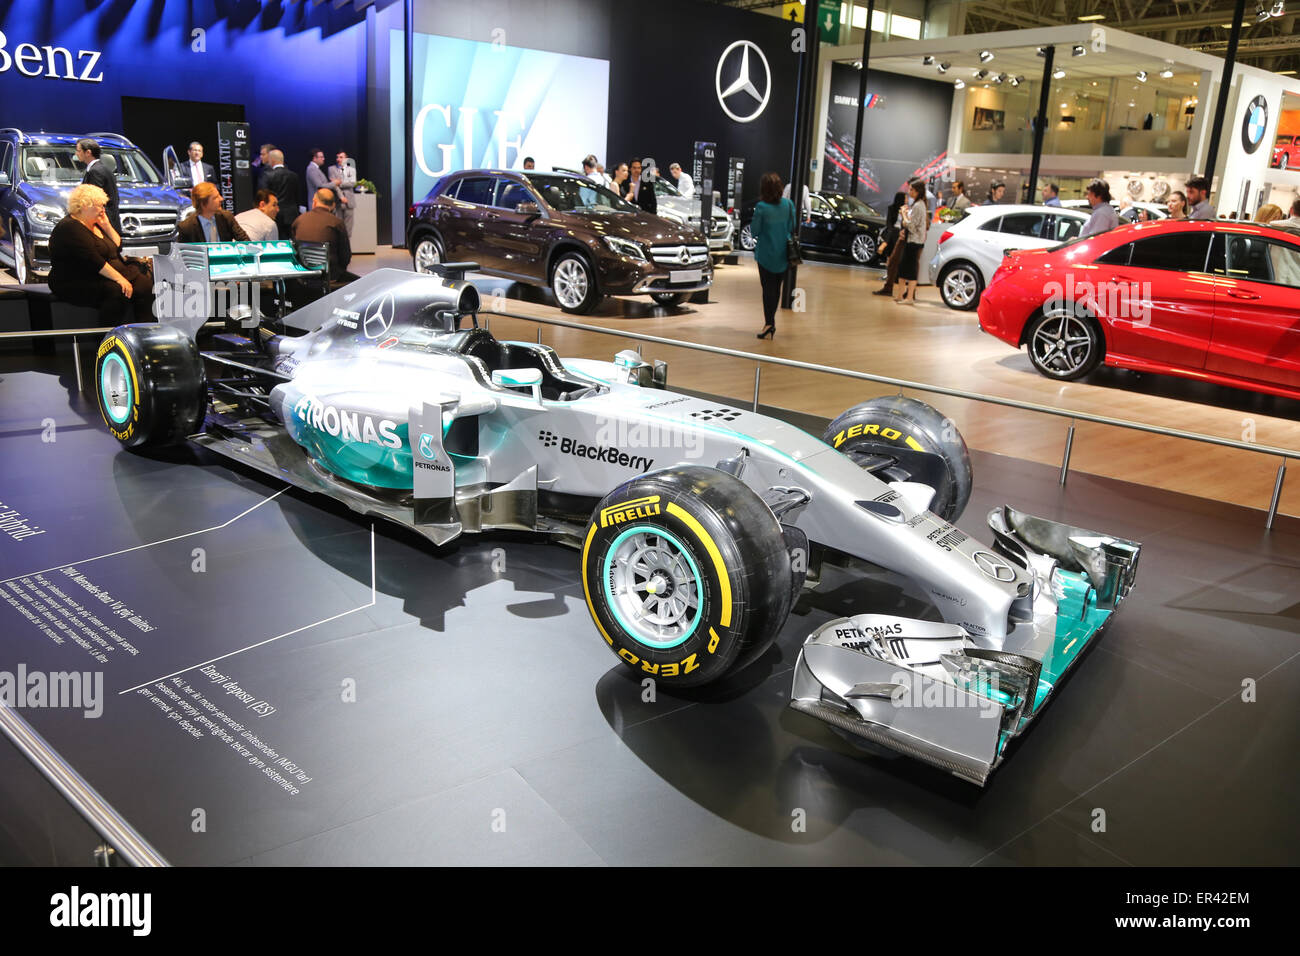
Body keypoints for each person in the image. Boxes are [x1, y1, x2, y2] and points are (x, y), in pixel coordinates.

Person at [47, 183, 153, 323]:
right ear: (84, 206)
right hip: (77, 280)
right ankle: (107, 337)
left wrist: (107, 226)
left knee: (144, 285)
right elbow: (94, 261)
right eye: (100, 205)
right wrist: (119, 278)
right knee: (117, 290)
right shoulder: (70, 227)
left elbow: (117, 246)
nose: (103, 210)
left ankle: (144, 331)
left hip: (101, 274)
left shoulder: (95, 223)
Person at [748, 172, 794, 340]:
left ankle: (769, 323)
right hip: (784, 254)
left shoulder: (762, 207)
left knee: (767, 289)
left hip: (766, 255)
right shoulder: (789, 204)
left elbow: (755, 231)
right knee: (776, 289)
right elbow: (792, 226)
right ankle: (770, 323)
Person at [293, 187, 352, 283]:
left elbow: (293, 249)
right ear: (333, 205)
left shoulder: (299, 220)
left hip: (303, 276)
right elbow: (345, 256)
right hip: (330, 276)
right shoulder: (337, 223)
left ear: (314, 202)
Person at [177, 182, 250, 243]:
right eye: (215, 197)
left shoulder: (226, 217)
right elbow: (182, 255)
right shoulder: (186, 227)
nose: (221, 199)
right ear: (203, 204)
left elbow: (245, 241)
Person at [76, 138, 120, 235]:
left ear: (88, 152)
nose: (76, 154)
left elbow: (95, 201)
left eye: (78, 151)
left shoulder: (95, 171)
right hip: (109, 223)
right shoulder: (103, 169)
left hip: (102, 226)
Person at [894, 180, 928, 305]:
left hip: (914, 241)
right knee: (903, 268)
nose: (909, 192)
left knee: (911, 270)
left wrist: (903, 214)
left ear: (917, 191)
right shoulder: (918, 204)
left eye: (911, 190)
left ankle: (909, 298)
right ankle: (900, 295)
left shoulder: (919, 206)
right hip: (912, 240)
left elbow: (912, 226)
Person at [872, 191, 908, 297]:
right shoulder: (891, 208)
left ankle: (884, 244)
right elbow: (889, 225)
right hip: (894, 234)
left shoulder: (907, 210)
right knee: (892, 261)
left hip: (901, 235)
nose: (907, 199)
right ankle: (890, 286)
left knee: (896, 262)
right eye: (905, 198)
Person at [264, 149, 302, 239]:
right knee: (293, 242)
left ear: (272, 160)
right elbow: (297, 197)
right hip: (292, 214)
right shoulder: (294, 176)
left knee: (277, 241)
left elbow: (265, 196)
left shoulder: (268, 176)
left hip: (276, 215)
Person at [327, 151, 356, 237]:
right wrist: (341, 197)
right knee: (338, 227)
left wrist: (339, 183)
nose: (338, 159)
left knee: (348, 228)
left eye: (341, 157)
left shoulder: (351, 170)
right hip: (338, 201)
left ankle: (347, 249)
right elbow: (334, 186)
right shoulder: (331, 169)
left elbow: (353, 183)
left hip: (349, 201)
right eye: (337, 157)